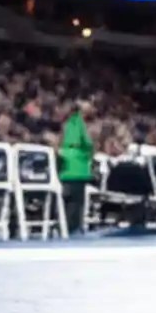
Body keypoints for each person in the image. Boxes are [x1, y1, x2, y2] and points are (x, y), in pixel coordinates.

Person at [57, 99, 94, 235]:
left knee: (67, 200)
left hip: (66, 166)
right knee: (76, 202)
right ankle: (71, 228)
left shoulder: (66, 125)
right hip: (77, 167)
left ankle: (64, 226)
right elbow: (88, 143)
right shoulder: (79, 124)